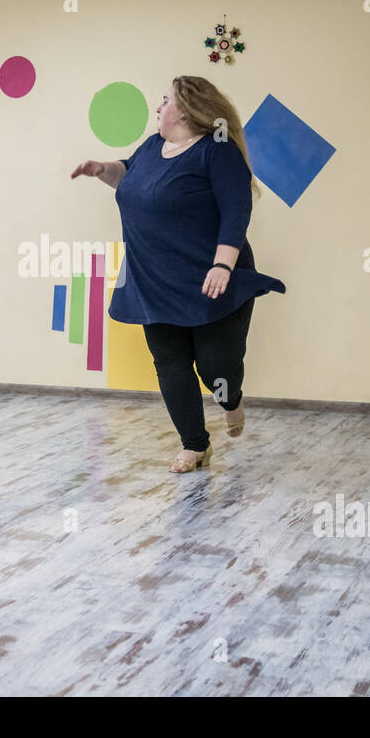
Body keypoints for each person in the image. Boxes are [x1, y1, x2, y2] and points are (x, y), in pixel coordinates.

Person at [71, 76, 284, 473]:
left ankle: (231, 399)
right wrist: (103, 169)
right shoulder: (153, 147)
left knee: (215, 367)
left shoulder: (216, 151)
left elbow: (237, 209)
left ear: (186, 109)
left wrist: (223, 264)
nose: (158, 106)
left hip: (210, 277)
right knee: (170, 364)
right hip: (152, 278)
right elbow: (131, 175)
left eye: (165, 99)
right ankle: (195, 444)